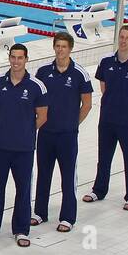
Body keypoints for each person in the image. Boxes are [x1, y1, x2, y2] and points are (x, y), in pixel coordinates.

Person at [0, 44, 48, 247]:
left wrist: (26, 131)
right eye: (13, 57)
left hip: (24, 148)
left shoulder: (36, 86)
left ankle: (21, 229)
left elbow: (43, 116)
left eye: (20, 58)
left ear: (26, 59)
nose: (16, 61)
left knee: (23, 189)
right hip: (0, 146)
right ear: (9, 58)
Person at [87, 25, 128, 211]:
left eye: (127, 38)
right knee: (104, 157)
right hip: (107, 119)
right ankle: (99, 190)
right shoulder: (106, 61)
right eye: (121, 37)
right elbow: (103, 86)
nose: (123, 41)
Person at [34, 33, 93, 231]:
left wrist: (73, 124)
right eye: (57, 46)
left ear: (70, 49)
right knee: (43, 174)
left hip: (67, 135)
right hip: (46, 133)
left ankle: (67, 216)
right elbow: (36, 101)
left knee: (68, 176)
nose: (60, 50)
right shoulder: (43, 72)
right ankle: (40, 212)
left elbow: (87, 104)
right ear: (54, 47)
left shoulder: (79, 74)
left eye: (64, 46)